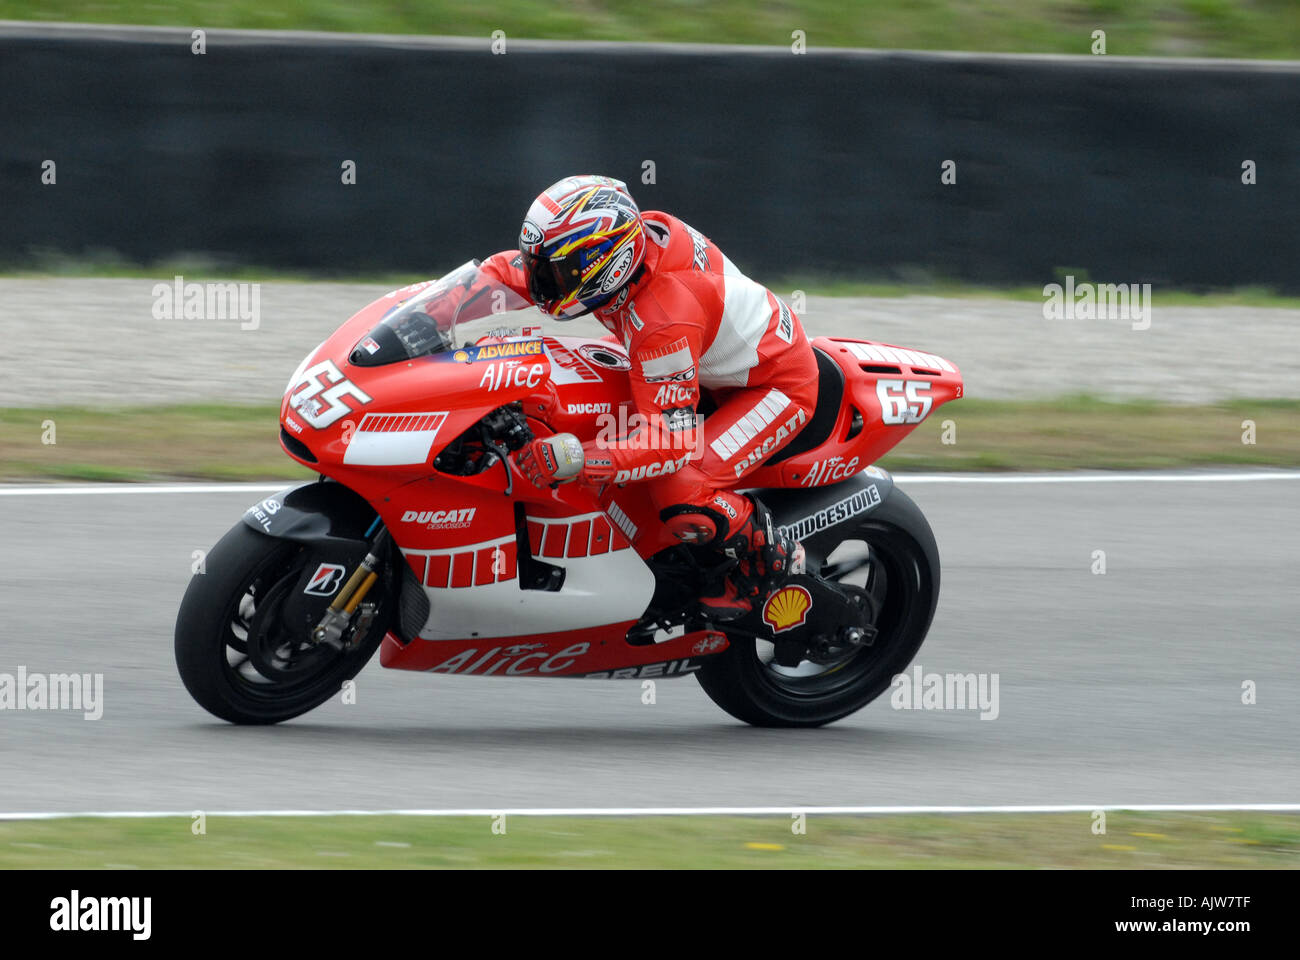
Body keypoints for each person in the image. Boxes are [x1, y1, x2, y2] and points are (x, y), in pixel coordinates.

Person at [490, 175, 818, 619]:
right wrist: (432, 308)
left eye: (556, 271)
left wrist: (576, 458)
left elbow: (670, 443)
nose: (542, 282)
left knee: (682, 490)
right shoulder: (626, 257)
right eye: (541, 265)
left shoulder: (662, 321)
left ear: (604, 262)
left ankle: (774, 556)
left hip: (773, 385)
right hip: (703, 363)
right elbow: (507, 275)